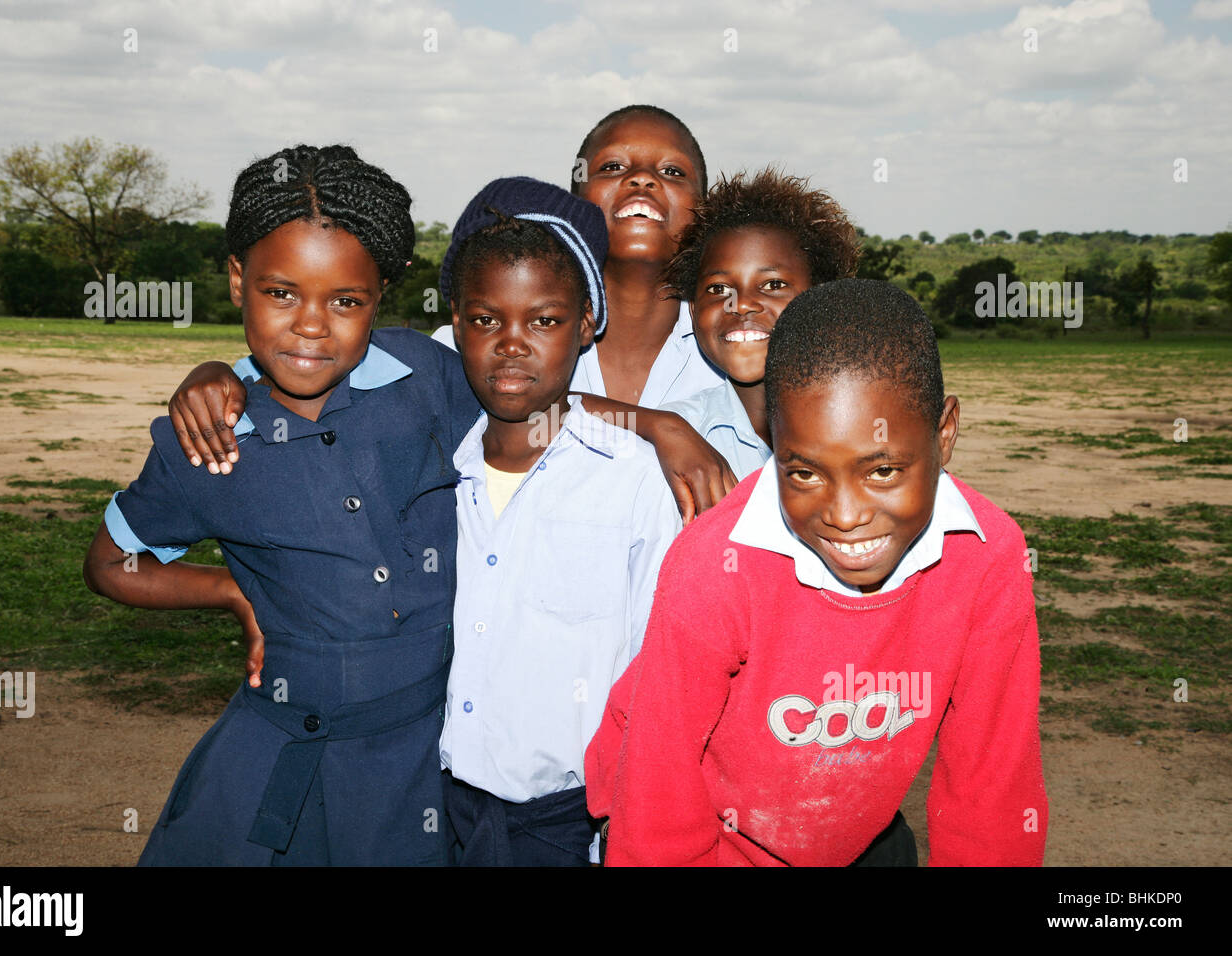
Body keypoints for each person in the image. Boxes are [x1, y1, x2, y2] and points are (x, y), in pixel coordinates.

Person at [83, 144, 479, 864]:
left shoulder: (431, 380)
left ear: (380, 295)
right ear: (238, 281)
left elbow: (538, 411)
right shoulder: (206, 441)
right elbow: (111, 565)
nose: (310, 324)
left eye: (346, 301)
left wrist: (660, 426)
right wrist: (231, 591)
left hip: (426, 760)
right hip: (278, 767)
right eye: (281, 292)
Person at [586, 279, 1049, 866]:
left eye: (883, 471)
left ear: (944, 433)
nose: (846, 516)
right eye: (805, 473)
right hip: (696, 832)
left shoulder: (987, 557)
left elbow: (993, 788)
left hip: (850, 833)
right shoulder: (716, 565)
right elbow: (658, 785)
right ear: (775, 443)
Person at [438, 176, 681, 865]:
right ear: (456, 323)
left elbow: (654, 666)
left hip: (566, 818)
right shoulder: (433, 468)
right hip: (433, 797)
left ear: (585, 326)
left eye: (543, 320)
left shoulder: (632, 479)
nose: (512, 344)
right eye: (487, 320)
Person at [433, 104, 726, 408]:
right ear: (577, 200)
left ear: (703, 208)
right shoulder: (452, 355)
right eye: (613, 167)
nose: (642, 179)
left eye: (672, 171)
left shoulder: (735, 344)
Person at [659, 167, 861, 481]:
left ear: (823, 297)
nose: (740, 303)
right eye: (718, 289)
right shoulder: (668, 439)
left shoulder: (867, 423)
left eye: (773, 285)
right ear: (694, 308)